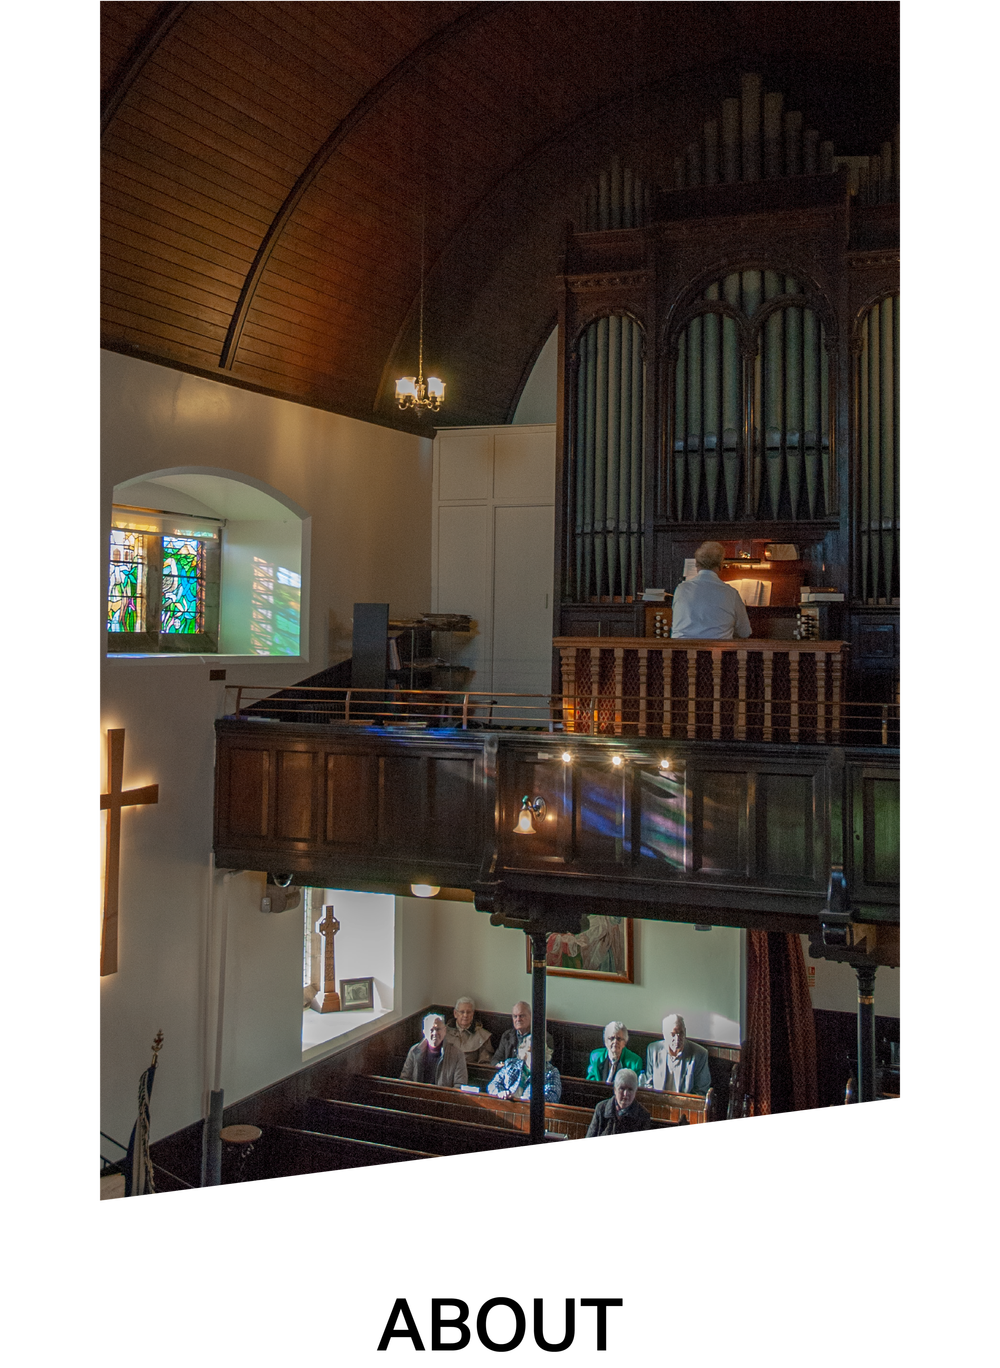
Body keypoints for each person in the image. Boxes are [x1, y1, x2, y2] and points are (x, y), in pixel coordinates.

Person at [670, 541, 752, 640]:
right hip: (717, 654)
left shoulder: (681, 589)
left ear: (696, 564)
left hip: (681, 653)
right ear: (720, 565)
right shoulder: (730, 593)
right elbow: (745, 632)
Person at [643, 1014, 712, 1095]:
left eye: (681, 1033)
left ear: (685, 1031)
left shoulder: (700, 1054)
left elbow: (701, 1090)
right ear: (664, 1034)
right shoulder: (653, 1049)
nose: (677, 1039)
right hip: (659, 1102)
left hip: (686, 1105)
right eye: (673, 1034)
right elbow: (648, 1084)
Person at [400, 1012, 469, 1087]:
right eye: (431, 1030)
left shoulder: (457, 1055)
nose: (435, 1033)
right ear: (424, 1032)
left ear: (445, 1031)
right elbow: (405, 1079)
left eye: (438, 1029)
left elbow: (460, 1085)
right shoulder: (414, 1051)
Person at [488, 1036, 562, 1102]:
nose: (534, 1055)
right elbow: (492, 1085)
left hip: (531, 1112)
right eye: (530, 1051)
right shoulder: (510, 1064)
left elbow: (552, 1096)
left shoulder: (551, 1072)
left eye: (538, 1051)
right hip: (507, 1107)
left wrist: (527, 1100)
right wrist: (501, 1093)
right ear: (524, 1052)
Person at [585, 1069, 652, 1138]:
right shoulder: (601, 1108)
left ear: (635, 1091)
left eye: (630, 1089)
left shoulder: (643, 1115)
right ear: (615, 1090)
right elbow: (591, 1137)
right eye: (622, 1089)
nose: (625, 1094)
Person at [490, 1001, 554, 1065]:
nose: (518, 1019)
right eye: (515, 1016)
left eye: (521, 1016)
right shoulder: (507, 1036)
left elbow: (546, 1065)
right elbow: (495, 1059)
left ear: (531, 1017)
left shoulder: (544, 1037)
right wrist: (499, 1065)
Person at [445, 995, 493, 1066]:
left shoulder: (483, 1036)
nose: (465, 1015)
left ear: (473, 1014)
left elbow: (485, 1064)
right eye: (462, 1012)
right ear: (455, 1014)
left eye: (468, 1012)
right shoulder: (443, 1032)